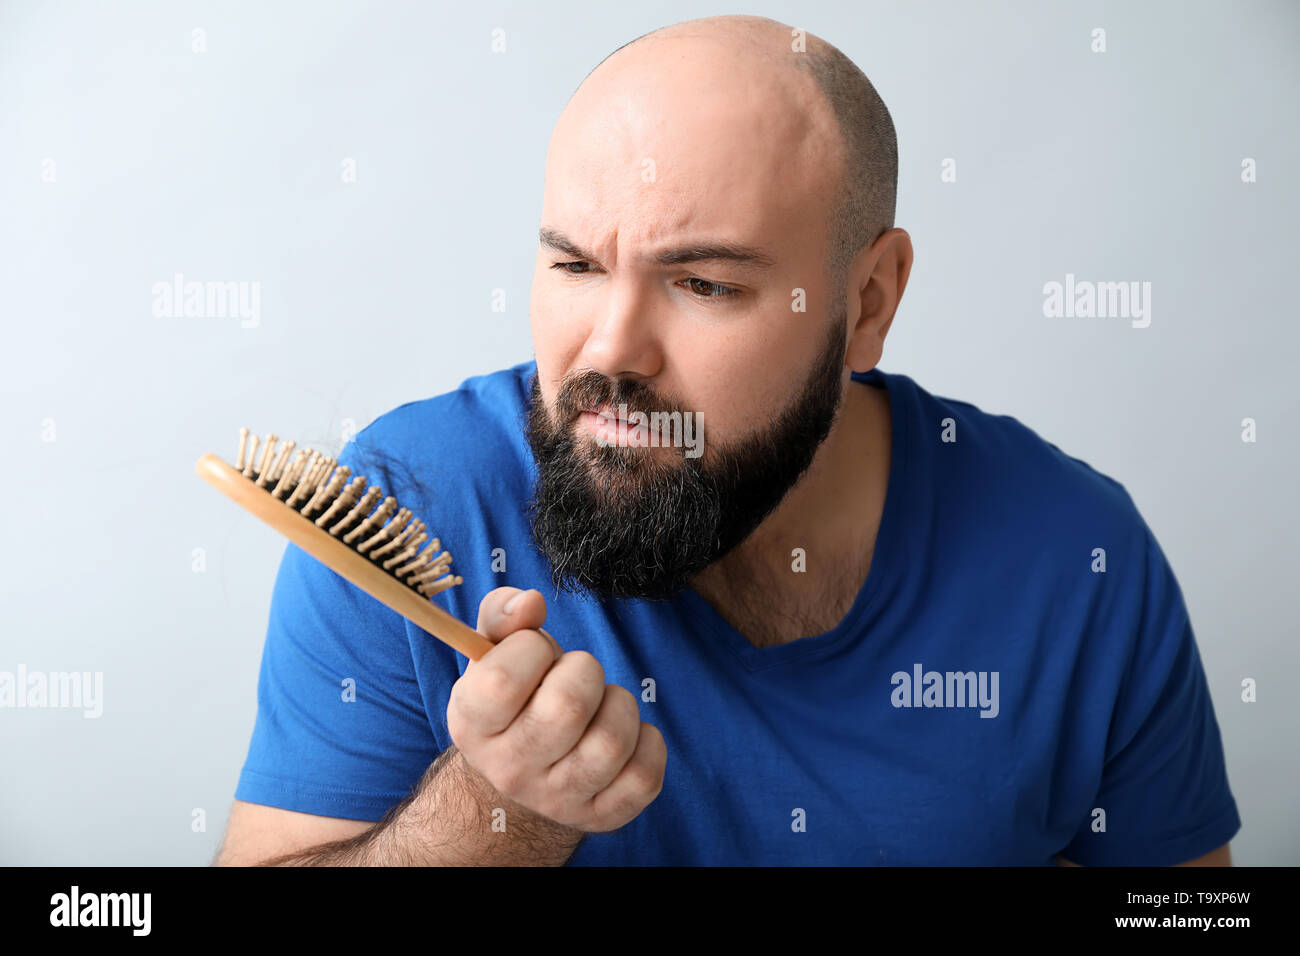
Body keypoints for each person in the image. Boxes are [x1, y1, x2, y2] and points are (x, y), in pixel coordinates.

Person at [216, 14, 1239, 866]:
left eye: (704, 285)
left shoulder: (1075, 556)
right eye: (574, 266)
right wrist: (497, 811)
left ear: (868, 301)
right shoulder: (412, 502)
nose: (608, 354)